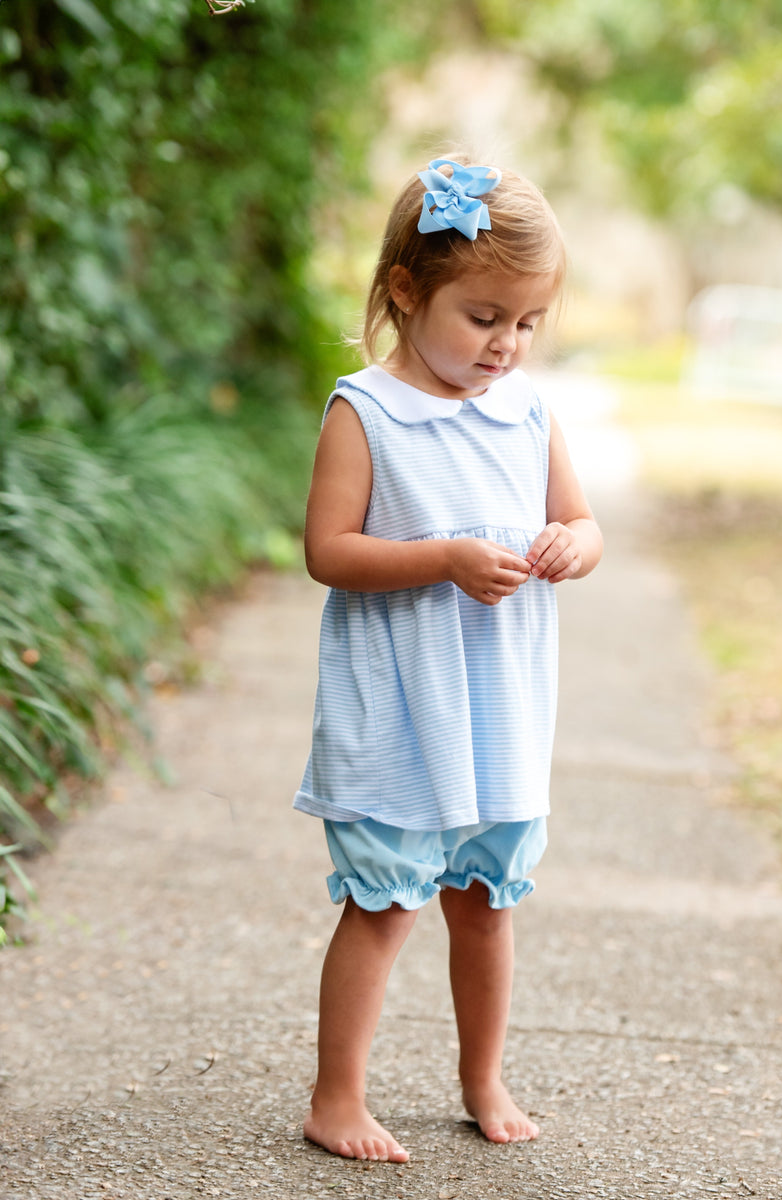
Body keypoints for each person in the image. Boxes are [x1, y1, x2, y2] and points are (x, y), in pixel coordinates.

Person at [293, 156, 603, 1163]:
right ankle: (337, 1096)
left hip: (499, 713)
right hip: (400, 712)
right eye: (483, 318)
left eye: (526, 323)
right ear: (404, 293)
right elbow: (329, 551)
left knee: (485, 907)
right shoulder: (367, 411)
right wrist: (443, 559)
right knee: (383, 908)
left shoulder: (528, 412)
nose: (507, 345)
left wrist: (572, 546)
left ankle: (483, 1076)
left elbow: (582, 522)